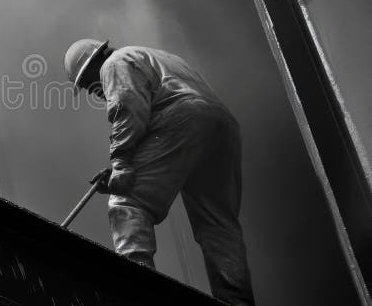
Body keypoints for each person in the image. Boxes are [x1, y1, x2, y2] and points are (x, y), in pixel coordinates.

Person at [63, 39, 255, 306]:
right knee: (217, 225)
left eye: (86, 84)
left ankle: (141, 292)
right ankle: (237, 302)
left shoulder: (114, 63)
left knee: (127, 204)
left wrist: (121, 164)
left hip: (183, 118)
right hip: (220, 125)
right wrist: (125, 163)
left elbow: (127, 108)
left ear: (95, 62)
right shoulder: (158, 58)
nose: (93, 93)